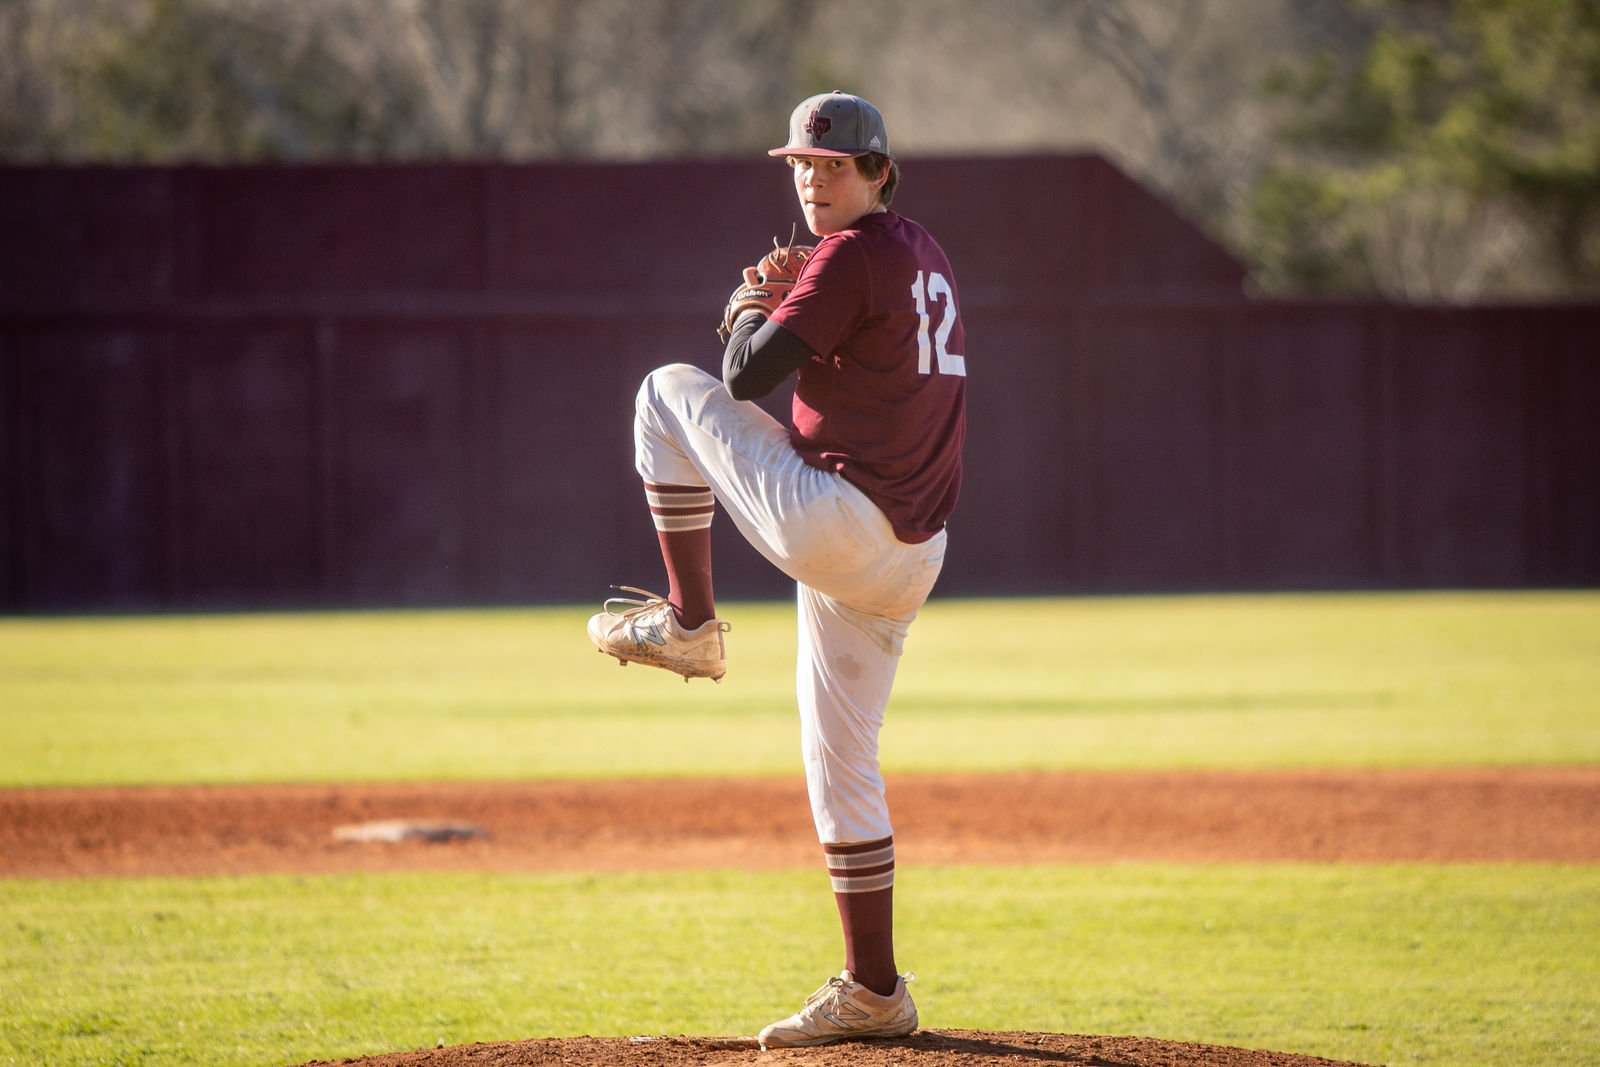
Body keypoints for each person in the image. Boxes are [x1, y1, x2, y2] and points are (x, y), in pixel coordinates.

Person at [586, 90, 966, 1050]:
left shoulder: (851, 253)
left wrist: (758, 298)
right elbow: (849, 346)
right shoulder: (922, 252)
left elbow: (748, 371)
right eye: (801, 163)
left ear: (880, 172)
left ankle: (688, 620)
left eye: (833, 166)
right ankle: (876, 991)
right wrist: (795, 298)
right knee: (840, 766)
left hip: (840, 521)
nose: (812, 178)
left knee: (664, 391)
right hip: (909, 553)